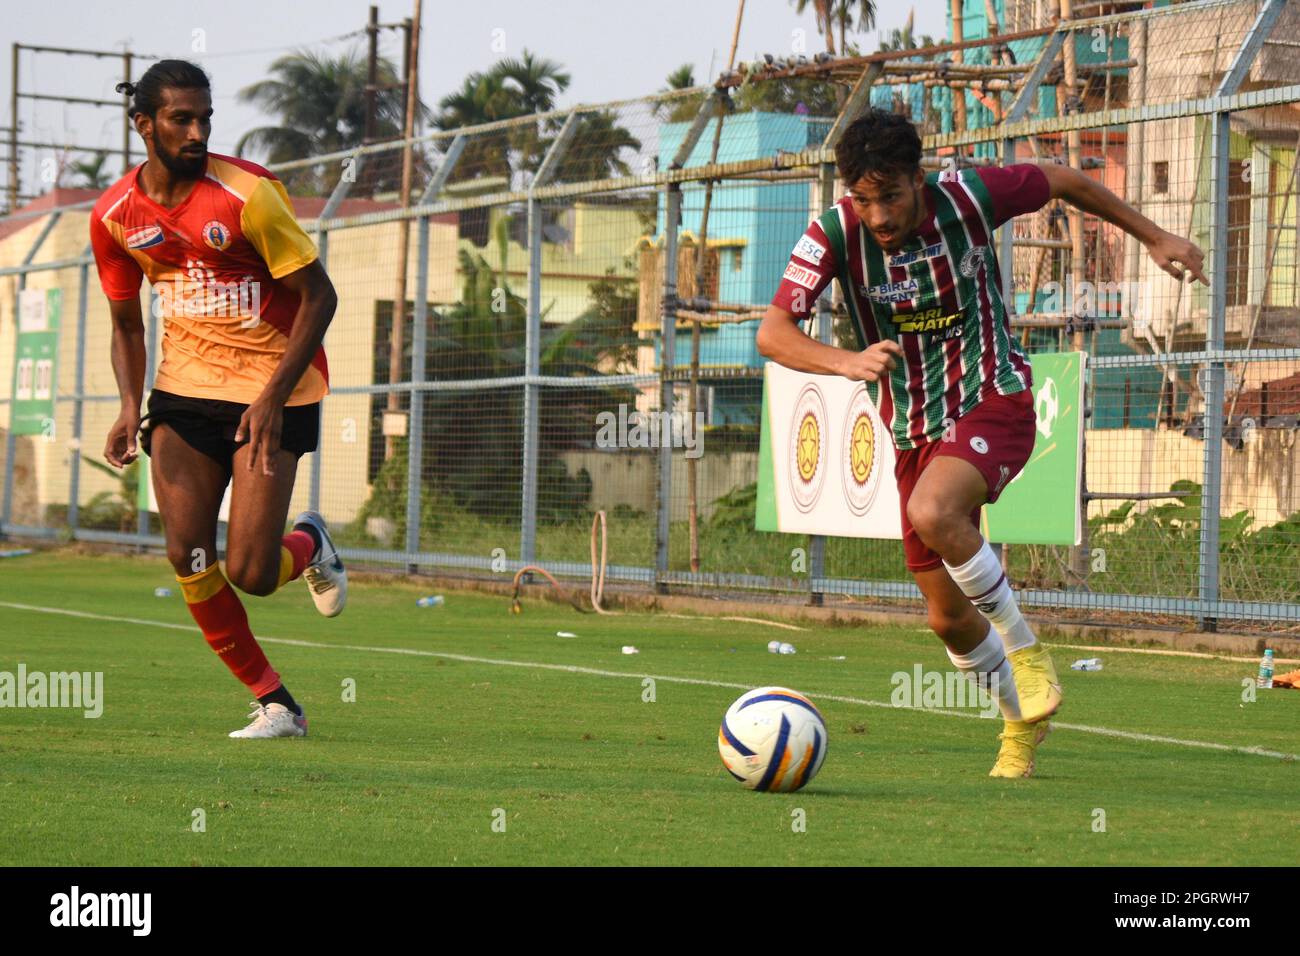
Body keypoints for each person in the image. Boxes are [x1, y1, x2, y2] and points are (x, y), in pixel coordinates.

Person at [758, 108, 1206, 777]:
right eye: (863, 199)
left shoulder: (970, 195)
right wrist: (842, 361)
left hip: (995, 397)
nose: (877, 215)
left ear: (920, 179)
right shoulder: (832, 232)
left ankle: (1027, 654)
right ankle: (1020, 728)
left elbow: (1060, 179)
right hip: (912, 432)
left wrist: (1154, 234)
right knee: (945, 619)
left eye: (891, 196)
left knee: (934, 512)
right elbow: (773, 332)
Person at [90, 60, 347, 739]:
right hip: (183, 395)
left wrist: (271, 395)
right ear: (143, 124)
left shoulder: (248, 194)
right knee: (187, 554)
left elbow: (320, 297)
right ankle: (276, 703)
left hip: (276, 389)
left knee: (253, 571)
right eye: (182, 119)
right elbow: (125, 323)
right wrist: (127, 404)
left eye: (205, 118)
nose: (198, 131)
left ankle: (311, 542)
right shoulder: (114, 216)